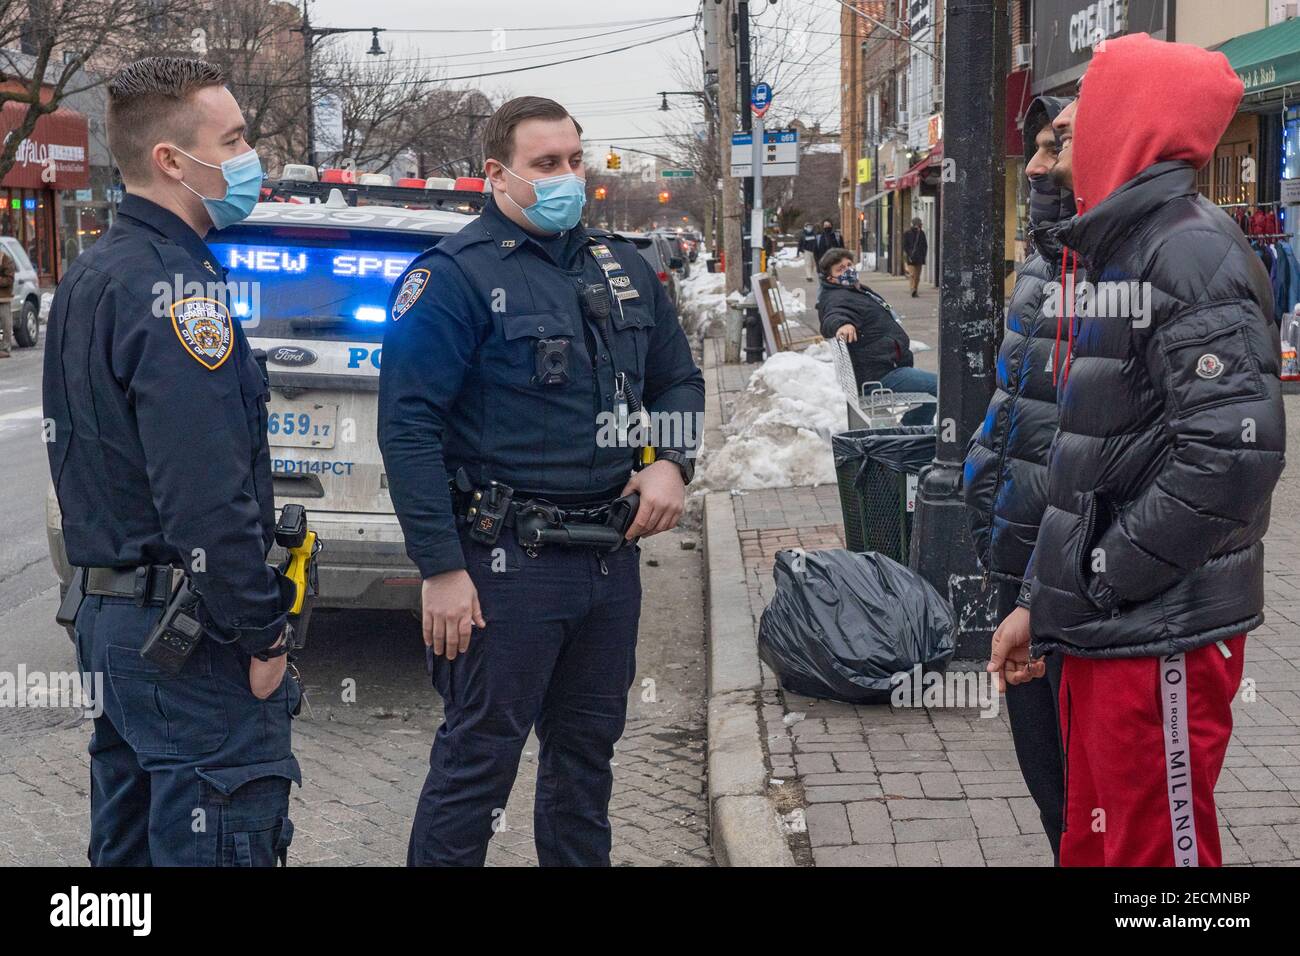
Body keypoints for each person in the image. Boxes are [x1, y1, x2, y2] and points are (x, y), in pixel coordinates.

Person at [378, 96, 705, 867]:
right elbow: (409, 430)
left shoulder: (623, 266)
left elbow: (680, 380)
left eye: (574, 160)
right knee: (475, 770)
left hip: (607, 558)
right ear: (497, 174)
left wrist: (671, 461)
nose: (568, 178)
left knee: (585, 769)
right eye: (545, 164)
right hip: (504, 568)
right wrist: (442, 568)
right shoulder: (453, 278)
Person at [987, 34, 1286, 867]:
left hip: (1160, 633)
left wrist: (1103, 573)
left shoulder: (1186, 248)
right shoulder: (1117, 249)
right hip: (1113, 627)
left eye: (1085, 114)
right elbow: (1093, 461)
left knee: (1153, 866)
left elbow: (1234, 456)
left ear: (1130, 120)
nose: (1061, 141)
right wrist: (1044, 606)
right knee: (1103, 850)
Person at [42, 57, 301, 867]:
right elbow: (204, 495)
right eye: (233, 140)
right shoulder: (178, 292)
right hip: (187, 642)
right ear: (170, 161)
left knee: (126, 865)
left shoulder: (94, 273)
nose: (249, 154)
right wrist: (264, 633)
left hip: (114, 624)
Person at [963, 95, 1076, 862]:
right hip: (1020, 562)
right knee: (1053, 793)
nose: (1033, 165)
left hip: (1079, 587)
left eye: (1053, 147)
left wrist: (1051, 585)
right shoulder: (1041, 265)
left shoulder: (1145, 268)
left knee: (1101, 806)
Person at [817, 246, 935, 426]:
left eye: (849, 265)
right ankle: (911, 436)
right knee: (940, 386)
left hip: (887, 367)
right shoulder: (837, 297)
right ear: (830, 278)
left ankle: (912, 435)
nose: (848, 270)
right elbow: (833, 315)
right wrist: (842, 324)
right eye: (840, 269)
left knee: (935, 389)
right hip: (879, 377)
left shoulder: (855, 291)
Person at [902, 217, 927, 297]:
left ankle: (915, 289)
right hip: (911, 257)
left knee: (917, 276)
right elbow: (905, 246)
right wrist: (908, 254)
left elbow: (924, 246)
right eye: (920, 224)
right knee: (912, 274)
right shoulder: (907, 233)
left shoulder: (921, 234)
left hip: (919, 258)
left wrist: (923, 256)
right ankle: (913, 289)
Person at [0, 248, 13, 357]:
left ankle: (5, 348)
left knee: (6, 323)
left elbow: (9, 279)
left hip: (3, 297)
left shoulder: (6, 260)